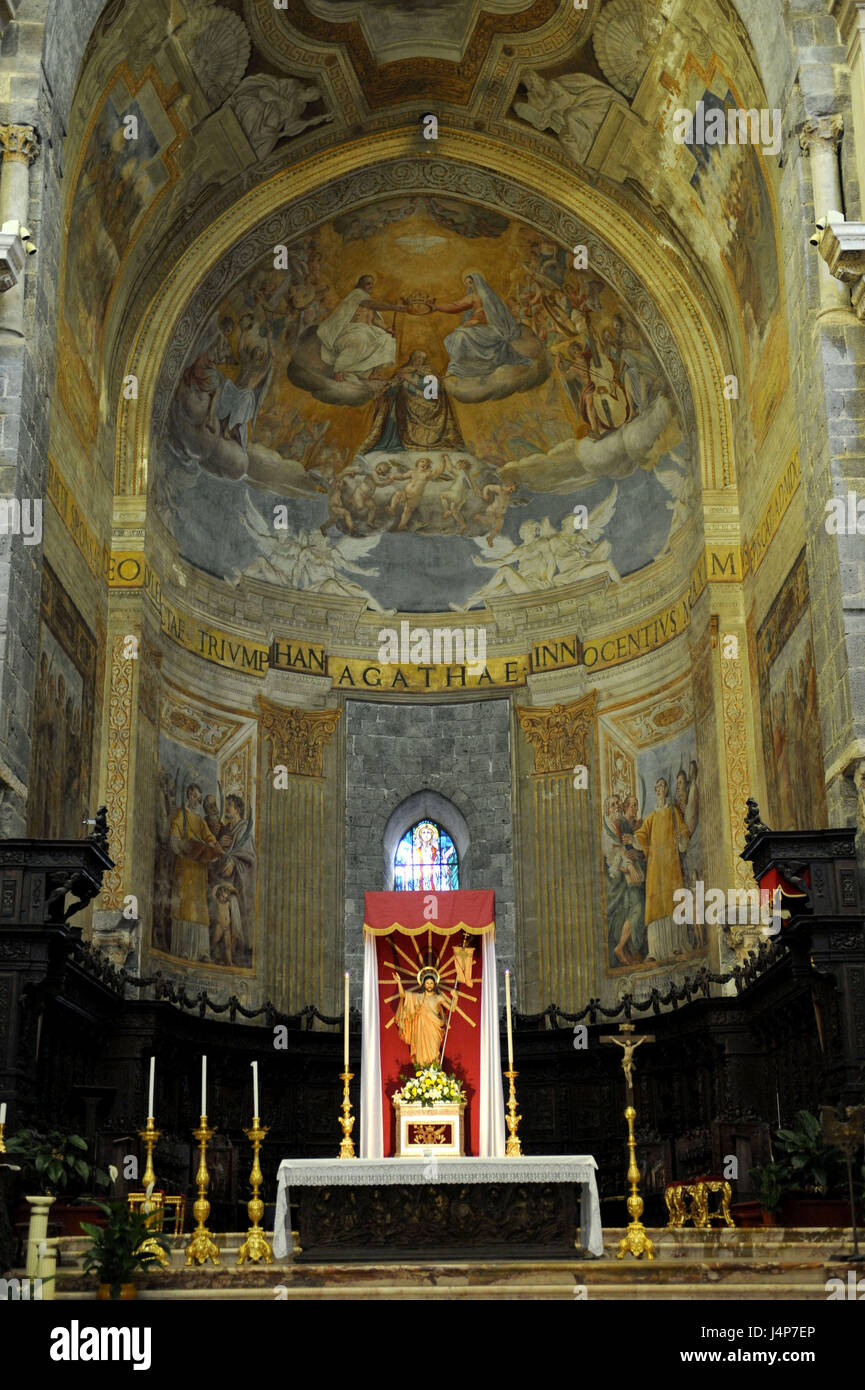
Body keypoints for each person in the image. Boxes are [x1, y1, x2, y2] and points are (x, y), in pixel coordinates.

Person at [430, 271, 530, 378]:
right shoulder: (474, 296)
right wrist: (437, 307)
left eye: (470, 283)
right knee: (457, 336)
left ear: (477, 281)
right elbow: (456, 305)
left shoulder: (487, 295)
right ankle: (456, 368)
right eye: (467, 284)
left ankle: (457, 368)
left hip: (491, 329)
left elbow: (497, 314)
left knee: (460, 335)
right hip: (480, 329)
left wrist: (477, 320)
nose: (470, 286)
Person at [317, 274, 414, 383]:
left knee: (387, 340)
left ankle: (374, 374)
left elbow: (374, 320)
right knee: (360, 339)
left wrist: (387, 329)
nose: (371, 286)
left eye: (372, 284)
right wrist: (394, 307)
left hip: (368, 330)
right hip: (352, 330)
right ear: (360, 285)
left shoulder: (367, 300)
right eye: (368, 283)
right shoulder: (356, 295)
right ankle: (338, 371)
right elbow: (370, 304)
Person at [634, 778, 690, 961]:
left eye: (662, 786)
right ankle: (656, 950)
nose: (659, 789)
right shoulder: (651, 817)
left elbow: (683, 830)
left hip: (671, 864)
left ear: (666, 790)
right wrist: (632, 840)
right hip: (655, 867)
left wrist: (680, 838)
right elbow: (641, 835)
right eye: (656, 786)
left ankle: (677, 944)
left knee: (673, 900)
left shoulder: (673, 812)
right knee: (656, 903)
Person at [169, 783, 222, 963]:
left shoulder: (200, 820)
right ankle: (184, 949)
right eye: (192, 794)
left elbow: (209, 838)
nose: (195, 798)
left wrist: (215, 847)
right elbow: (174, 836)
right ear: (188, 796)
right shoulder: (181, 815)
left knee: (200, 908)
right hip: (185, 864)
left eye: (197, 796)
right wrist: (181, 844)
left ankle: (202, 951)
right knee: (185, 906)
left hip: (199, 869)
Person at [392, 967, 449, 1067]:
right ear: (424, 984)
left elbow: (452, 1008)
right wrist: (399, 982)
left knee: (434, 1052)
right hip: (421, 1029)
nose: (429, 985)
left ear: (435, 984)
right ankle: (423, 1075)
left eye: (431, 983)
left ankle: (435, 1074)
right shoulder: (418, 997)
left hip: (434, 1029)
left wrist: (456, 998)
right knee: (421, 1053)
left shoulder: (438, 997)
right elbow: (402, 995)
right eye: (427, 983)